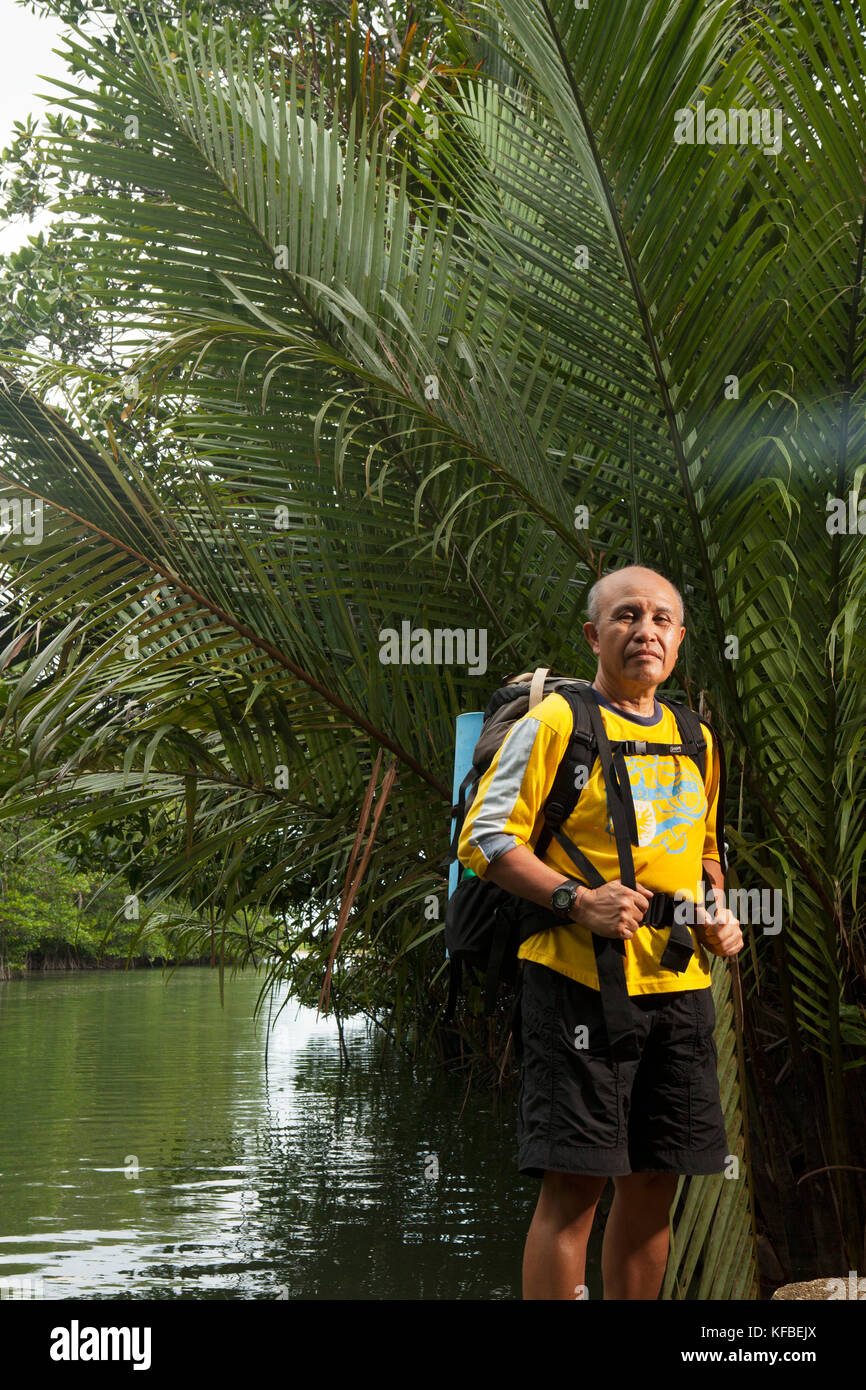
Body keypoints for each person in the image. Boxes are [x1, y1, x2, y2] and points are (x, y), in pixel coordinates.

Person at [456, 564, 744, 1300]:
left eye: (659, 619)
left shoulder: (695, 736)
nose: (643, 630)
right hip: (577, 987)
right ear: (594, 634)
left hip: (679, 991)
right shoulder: (559, 723)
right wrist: (574, 900)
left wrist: (715, 909)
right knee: (575, 1189)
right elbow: (484, 839)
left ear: (679, 639)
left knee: (655, 1185)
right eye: (625, 616)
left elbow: (702, 848)